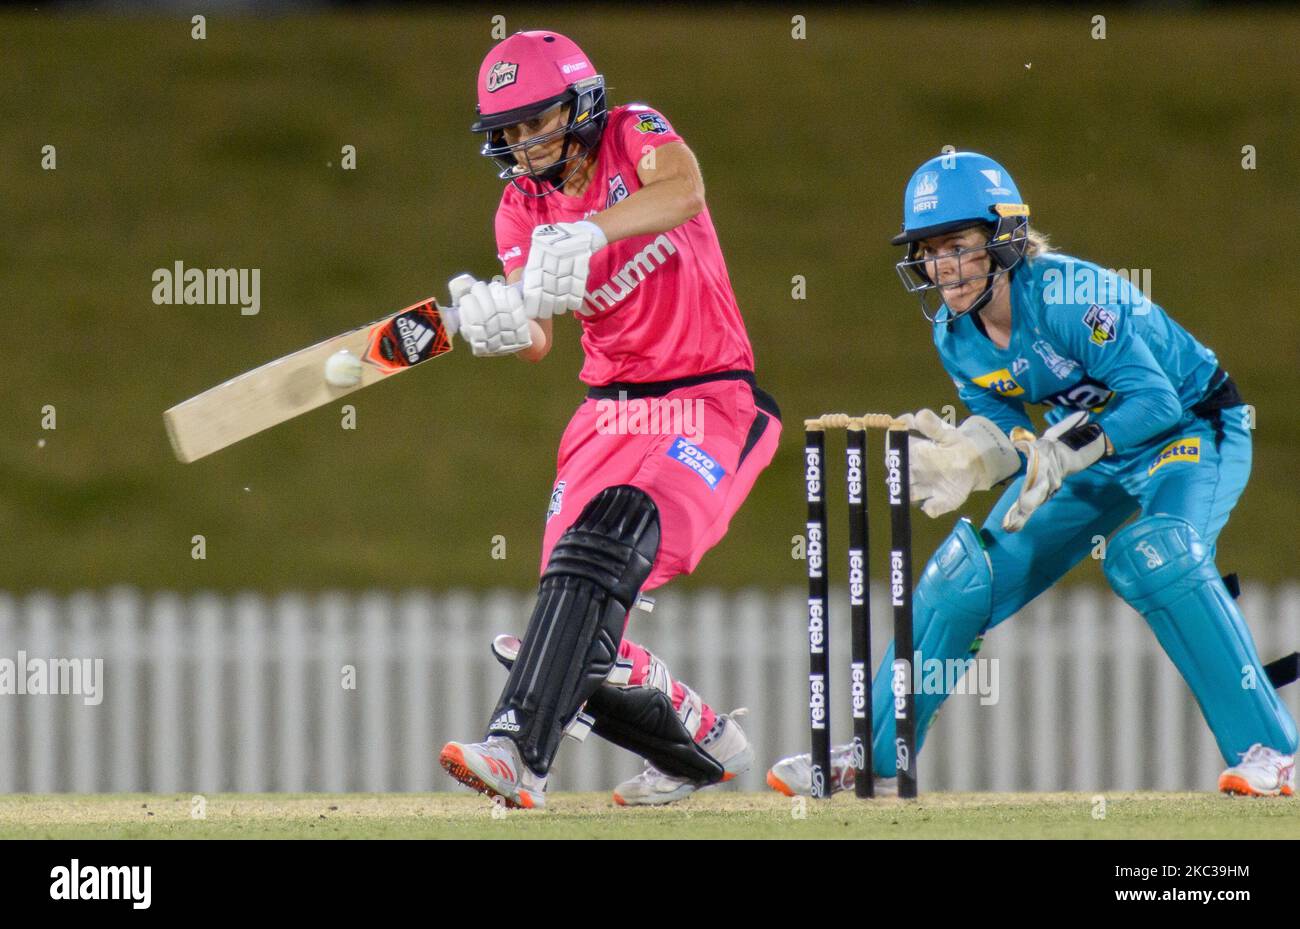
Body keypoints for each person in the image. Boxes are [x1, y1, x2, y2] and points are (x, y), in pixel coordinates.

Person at [767, 151, 1295, 798]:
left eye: (958, 245)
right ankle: (876, 752)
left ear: (1004, 240)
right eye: (930, 251)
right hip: (1090, 451)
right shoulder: (954, 334)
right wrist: (979, 453)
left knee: (1157, 555)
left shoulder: (1075, 298)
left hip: (1189, 429)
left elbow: (1154, 401)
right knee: (963, 579)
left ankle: (1275, 752)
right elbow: (1015, 433)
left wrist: (1067, 447)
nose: (943, 267)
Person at [438, 30, 782, 809]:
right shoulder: (518, 206)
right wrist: (501, 322)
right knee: (572, 618)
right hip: (604, 417)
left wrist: (596, 228)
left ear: (580, 104)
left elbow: (685, 191)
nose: (526, 144)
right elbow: (537, 333)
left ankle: (517, 753)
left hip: (706, 398)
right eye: (512, 132)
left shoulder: (635, 132)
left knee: (606, 546)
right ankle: (701, 744)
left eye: (538, 121)